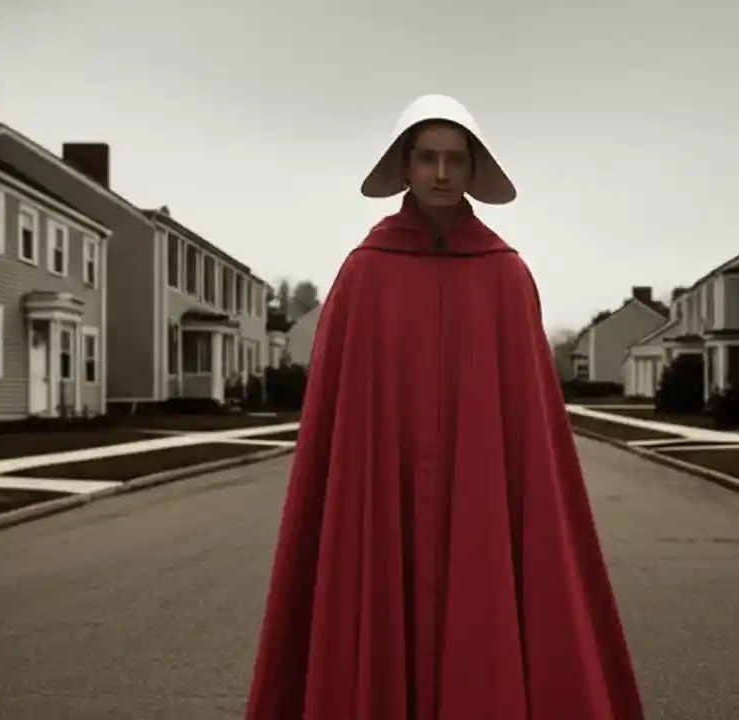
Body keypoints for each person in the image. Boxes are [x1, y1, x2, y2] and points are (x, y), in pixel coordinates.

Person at [245, 94, 644, 720]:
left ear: (472, 172)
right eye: (426, 158)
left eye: (453, 160)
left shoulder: (506, 277)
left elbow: (530, 431)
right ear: (404, 168)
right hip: (380, 499)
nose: (438, 173)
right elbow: (337, 421)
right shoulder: (363, 274)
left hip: (483, 503)